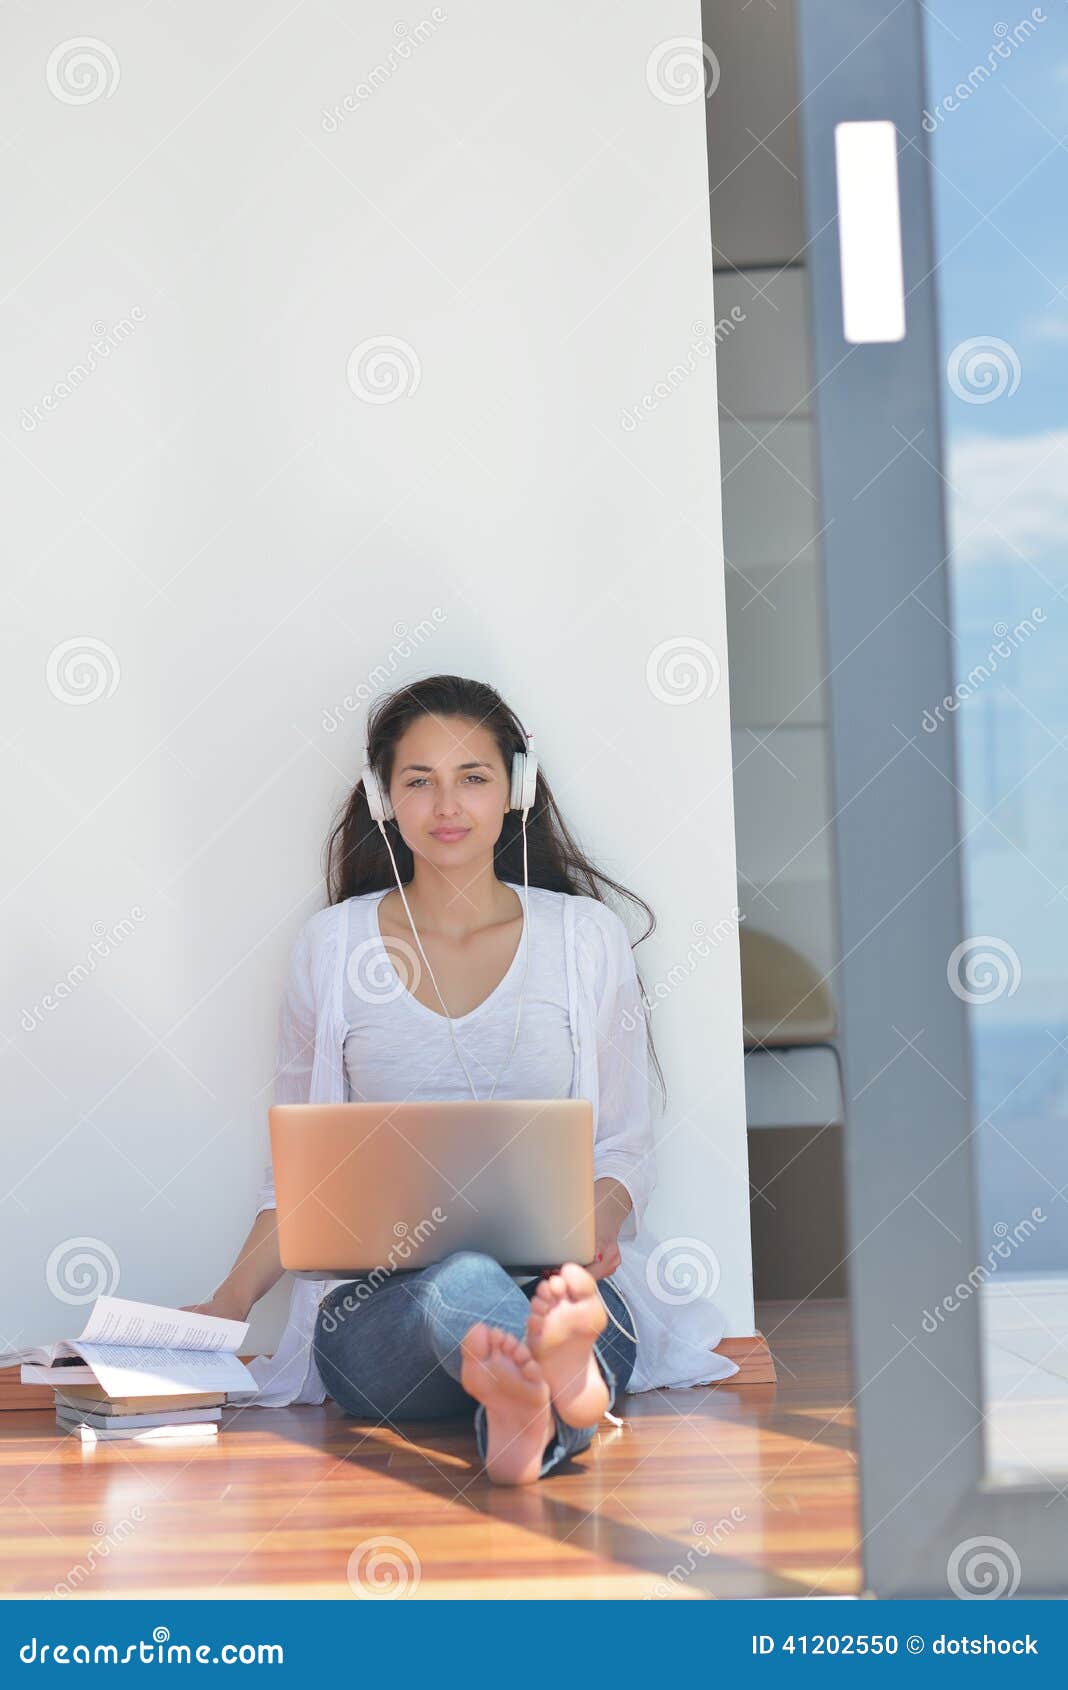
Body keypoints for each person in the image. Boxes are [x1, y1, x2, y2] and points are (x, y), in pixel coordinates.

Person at [184, 675, 737, 1484]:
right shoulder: (331, 948)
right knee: (464, 1281)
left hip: (559, 1284)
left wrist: (595, 1221)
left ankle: (523, 1420)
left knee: (556, 1306)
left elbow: (623, 1151)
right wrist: (228, 1304)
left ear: (517, 788)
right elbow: (300, 1180)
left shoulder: (585, 939)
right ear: (384, 797)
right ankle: (567, 1391)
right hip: (382, 1316)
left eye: (473, 777)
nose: (448, 805)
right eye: (420, 781)